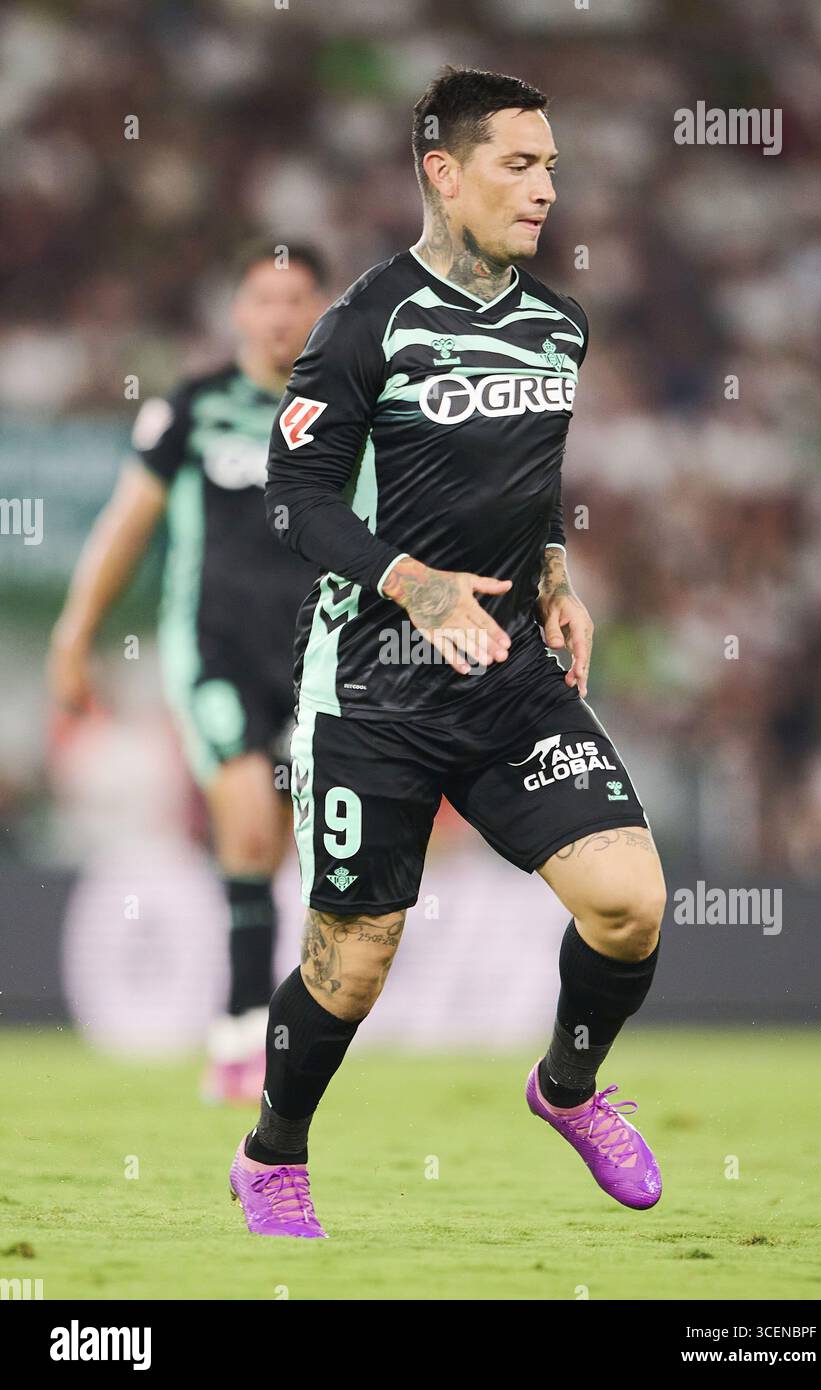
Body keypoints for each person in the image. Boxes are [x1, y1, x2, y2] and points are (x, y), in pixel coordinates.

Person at [229, 69, 667, 1238]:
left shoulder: (558, 324)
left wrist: (556, 570)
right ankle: (271, 1153)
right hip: (374, 684)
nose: (545, 189)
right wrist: (409, 582)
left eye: (552, 167)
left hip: (510, 672)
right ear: (442, 170)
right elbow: (294, 496)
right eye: (519, 165)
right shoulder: (364, 324)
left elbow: (524, 486)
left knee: (629, 904)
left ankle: (565, 1089)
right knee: (350, 966)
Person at [49, 241, 328, 1102]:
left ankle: (248, 1022)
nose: (279, 315)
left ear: (322, 308)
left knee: (275, 847)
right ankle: (243, 1040)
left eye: (296, 299)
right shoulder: (191, 410)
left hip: (314, 661)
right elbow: (126, 525)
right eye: (263, 299)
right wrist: (74, 632)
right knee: (244, 823)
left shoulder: (347, 413)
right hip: (212, 653)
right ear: (238, 311)